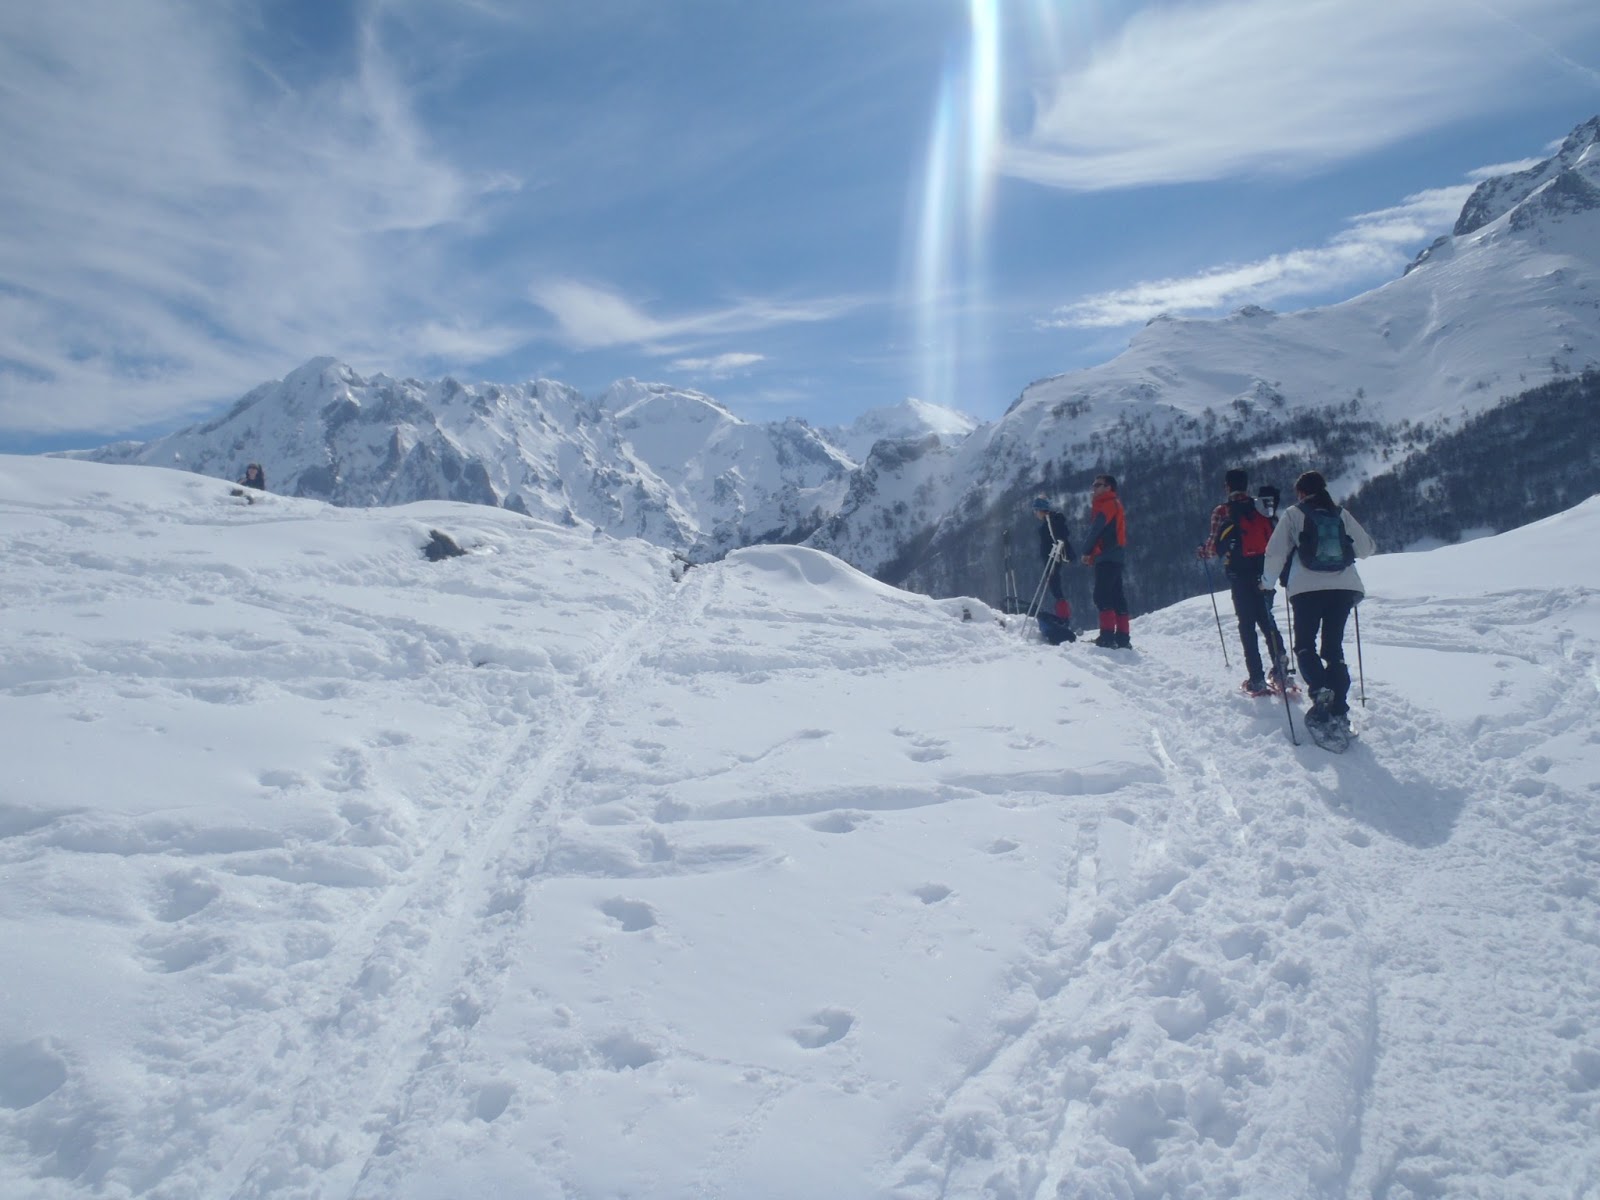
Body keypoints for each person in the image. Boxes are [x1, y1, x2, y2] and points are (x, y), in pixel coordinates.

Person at [1260, 470, 1377, 739]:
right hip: (1344, 589)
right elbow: (1367, 549)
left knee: (1304, 645)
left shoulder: (1293, 514)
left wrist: (1266, 582)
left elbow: (1275, 552)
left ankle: (1320, 693)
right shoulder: (1340, 514)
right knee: (1333, 648)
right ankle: (1340, 706)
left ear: (1301, 492)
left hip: (1306, 590)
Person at [1198, 468, 1289, 696]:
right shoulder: (1261, 507)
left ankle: (1256, 679)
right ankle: (1281, 671)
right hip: (1264, 574)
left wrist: (1203, 552)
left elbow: (1212, 547)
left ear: (1227, 486)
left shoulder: (1222, 511)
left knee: (1247, 625)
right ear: (1247, 485)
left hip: (1239, 576)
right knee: (1268, 621)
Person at [1080, 474, 1131, 648]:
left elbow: (1096, 531)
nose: (1094, 488)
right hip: (1116, 556)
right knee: (1117, 596)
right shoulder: (1115, 504)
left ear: (1108, 488)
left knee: (1101, 596)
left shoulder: (1107, 505)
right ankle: (1123, 638)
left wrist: (1086, 551)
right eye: (1093, 484)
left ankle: (1107, 637)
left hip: (1107, 556)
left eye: (1098, 485)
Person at [1031, 496, 1074, 622]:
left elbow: (1056, 538)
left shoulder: (1049, 523)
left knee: (1055, 587)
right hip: (1054, 556)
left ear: (1041, 510)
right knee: (1055, 587)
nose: (1035, 514)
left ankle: (1063, 618)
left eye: (1036, 511)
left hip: (1052, 557)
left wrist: (1055, 552)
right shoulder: (1053, 520)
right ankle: (1063, 616)